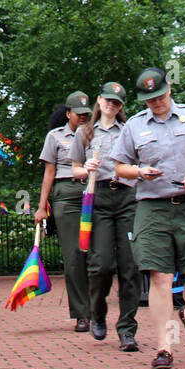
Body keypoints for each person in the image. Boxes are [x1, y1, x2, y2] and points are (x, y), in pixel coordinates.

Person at [109, 68, 185, 369]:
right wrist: (139, 171)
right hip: (152, 207)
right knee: (159, 276)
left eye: (159, 96)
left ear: (169, 89)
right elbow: (119, 168)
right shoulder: (133, 126)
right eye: (149, 99)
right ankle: (164, 347)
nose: (156, 103)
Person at [69, 81, 139, 352]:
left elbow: (138, 164)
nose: (112, 105)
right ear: (99, 101)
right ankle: (97, 313)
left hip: (126, 198)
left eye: (117, 102)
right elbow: (74, 170)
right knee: (101, 266)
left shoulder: (130, 131)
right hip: (97, 198)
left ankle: (127, 330)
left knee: (130, 266)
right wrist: (86, 168)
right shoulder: (85, 133)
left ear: (121, 106)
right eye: (108, 100)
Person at [35, 91, 92, 330]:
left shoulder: (97, 134)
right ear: (67, 113)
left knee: (98, 255)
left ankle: (96, 308)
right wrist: (41, 207)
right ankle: (82, 314)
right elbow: (49, 172)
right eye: (77, 113)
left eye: (85, 114)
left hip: (93, 193)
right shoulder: (55, 137)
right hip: (66, 196)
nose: (82, 117)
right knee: (74, 257)